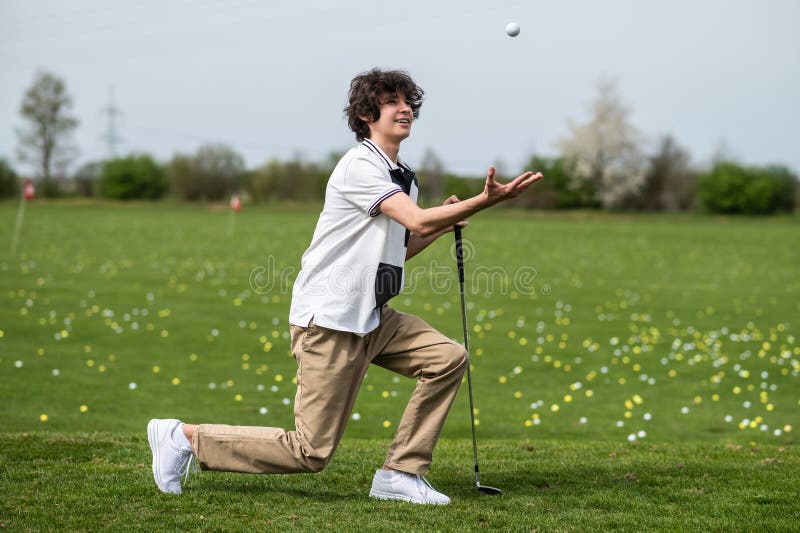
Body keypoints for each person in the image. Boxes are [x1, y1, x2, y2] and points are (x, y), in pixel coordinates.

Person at [147, 68, 542, 505]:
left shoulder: (402, 175)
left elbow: (402, 245)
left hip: (371, 315)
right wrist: (484, 201)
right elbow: (416, 218)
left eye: (408, 101)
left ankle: (399, 473)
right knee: (309, 451)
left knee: (447, 358)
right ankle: (182, 437)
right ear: (367, 114)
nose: (405, 108)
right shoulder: (360, 166)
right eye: (393, 101)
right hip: (331, 320)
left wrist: (446, 224)